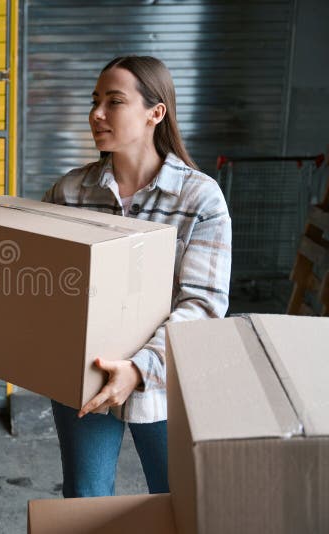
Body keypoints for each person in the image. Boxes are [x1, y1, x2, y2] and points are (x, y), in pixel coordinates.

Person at [42, 56, 232, 498]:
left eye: (114, 102)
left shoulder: (199, 198)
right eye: (95, 101)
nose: (96, 114)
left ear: (155, 112)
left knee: (180, 501)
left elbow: (203, 305)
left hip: (165, 381)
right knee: (85, 499)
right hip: (84, 377)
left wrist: (138, 369)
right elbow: (48, 289)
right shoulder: (69, 193)